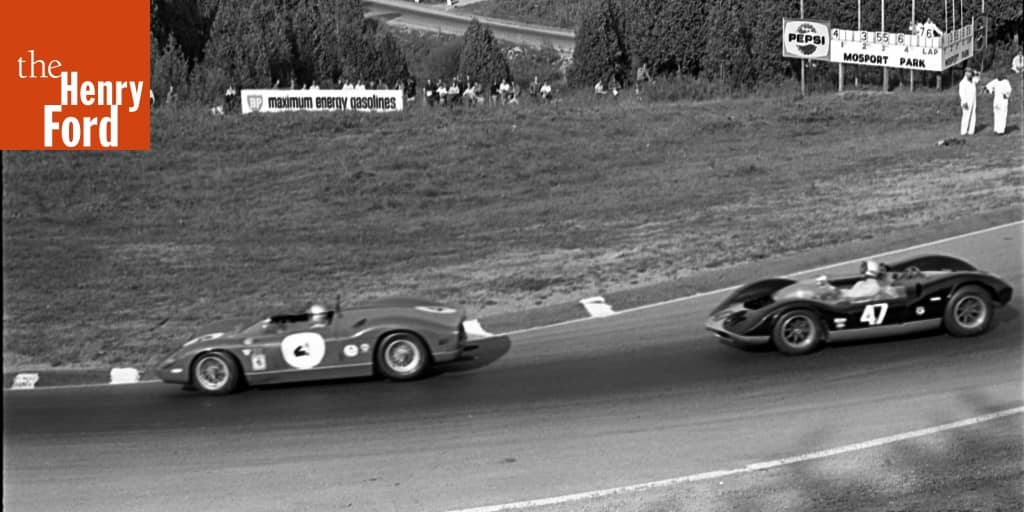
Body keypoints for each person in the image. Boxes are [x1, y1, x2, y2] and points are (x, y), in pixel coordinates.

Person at [958, 69, 976, 136]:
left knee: (973, 115)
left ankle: (971, 131)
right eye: (968, 72)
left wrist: (976, 73)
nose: (970, 74)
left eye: (970, 72)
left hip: (973, 101)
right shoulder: (962, 82)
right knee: (966, 116)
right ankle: (963, 131)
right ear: (965, 73)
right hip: (966, 102)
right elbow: (961, 93)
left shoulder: (973, 81)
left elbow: (978, 78)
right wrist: (964, 102)